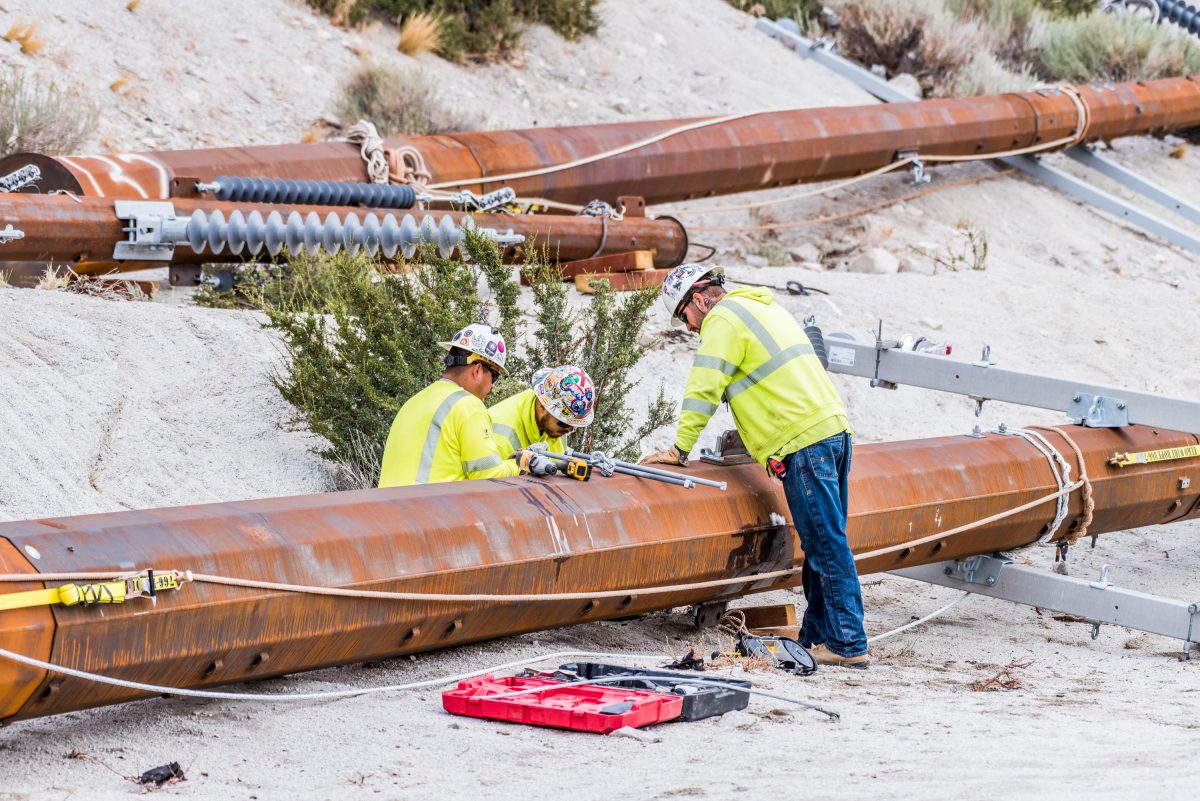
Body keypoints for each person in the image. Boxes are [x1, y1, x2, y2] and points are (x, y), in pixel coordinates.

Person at [642, 263, 867, 669]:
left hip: (804, 442)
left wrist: (679, 449)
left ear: (698, 299)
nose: (689, 327)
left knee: (827, 544)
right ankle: (816, 638)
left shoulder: (722, 320)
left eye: (684, 316)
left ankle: (849, 644)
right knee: (820, 542)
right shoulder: (764, 308)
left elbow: (703, 388)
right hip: (834, 432)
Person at [378, 323, 555, 487]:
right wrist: (522, 461)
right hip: (431, 512)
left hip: (388, 513)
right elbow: (489, 476)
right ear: (477, 370)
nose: (492, 386)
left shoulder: (415, 401)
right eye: (494, 376)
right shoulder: (468, 405)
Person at [490, 365, 596, 459]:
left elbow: (559, 454)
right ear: (542, 407)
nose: (569, 429)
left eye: (574, 425)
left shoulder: (553, 424)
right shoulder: (501, 437)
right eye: (564, 423)